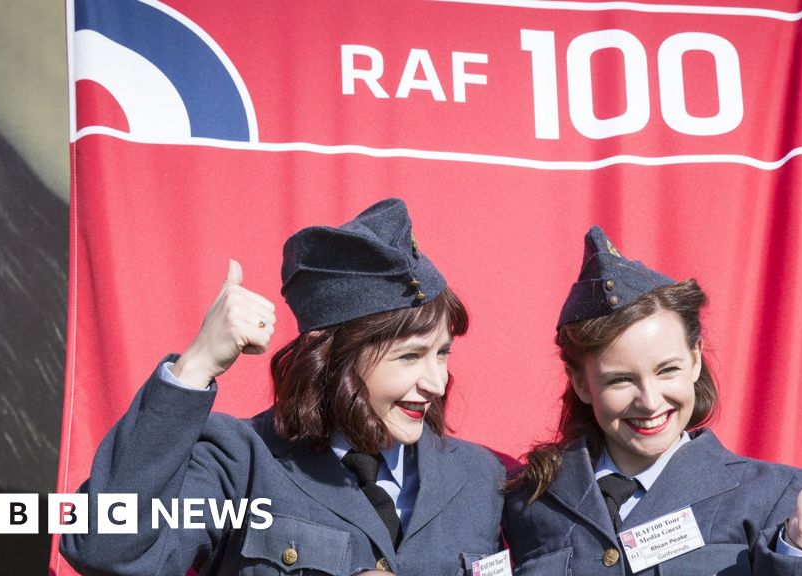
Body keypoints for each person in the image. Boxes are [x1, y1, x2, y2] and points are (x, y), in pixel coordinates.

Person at [61, 198, 505, 575]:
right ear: (334, 357)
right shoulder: (242, 461)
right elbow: (108, 550)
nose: (436, 382)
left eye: (442, 353)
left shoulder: (481, 478)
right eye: (409, 356)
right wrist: (195, 365)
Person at [502, 226, 802, 576]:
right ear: (581, 384)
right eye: (620, 380)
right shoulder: (526, 500)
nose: (650, 401)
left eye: (667, 370)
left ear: (695, 360)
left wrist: (799, 543)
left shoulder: (776, 497)